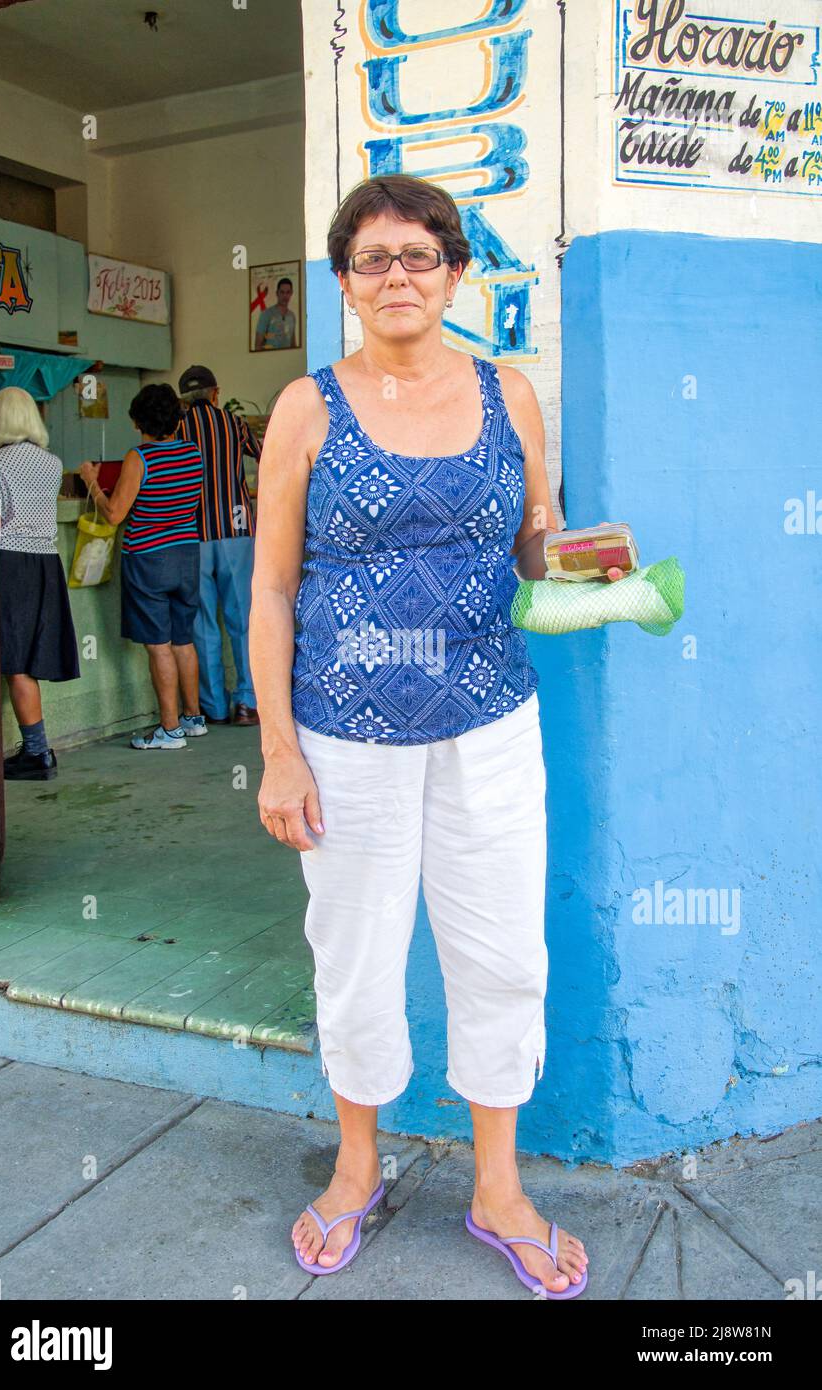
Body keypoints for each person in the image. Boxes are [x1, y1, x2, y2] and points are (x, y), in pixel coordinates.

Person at [251, 173, 627, 1295]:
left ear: (456, 272)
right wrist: (277, 746)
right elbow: (271, 590)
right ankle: (357, 1166)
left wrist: (600, 563)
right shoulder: (306, 410)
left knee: (504, 952)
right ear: (345, 281)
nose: (398, 276)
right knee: (355, 957)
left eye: (420, 255)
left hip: (491, 725)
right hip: (344, 734)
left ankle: (498, 1186)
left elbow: (532, 548)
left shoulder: (511, 393)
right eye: (374, 259)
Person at [79, 383, 205, 750]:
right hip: (186, 555)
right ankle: (193, 718)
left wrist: (91, 481)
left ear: (138, 422)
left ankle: (169, 729)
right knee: (183, 640)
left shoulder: (141, 458)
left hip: (149, 559)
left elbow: (115, 513)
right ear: (177, 420)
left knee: (158, 646)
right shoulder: (193, 454)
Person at [0, 386, 80, 781]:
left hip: (9, 564)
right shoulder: (51, 463)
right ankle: (37, 748)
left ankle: (36, 752)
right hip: (46, 564)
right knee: (27, 660)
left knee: (14, 662)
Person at [176, 365, 261, 727]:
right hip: (236, 527)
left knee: (203, 622)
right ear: (216, 392)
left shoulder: (177, 428)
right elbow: (266, 456)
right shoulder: (235, 424)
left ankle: (211, 706)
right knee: (243, 619)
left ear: (183, 399)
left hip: (191, 532)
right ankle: (246, 702)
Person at [254, 278, 296, 351]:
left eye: (288, 292)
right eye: (282, 292)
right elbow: (258, 345)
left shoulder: (292, 316)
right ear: (277, 293)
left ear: (291, 293)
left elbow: (293, 344)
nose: (285, 296)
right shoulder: (266, 314)